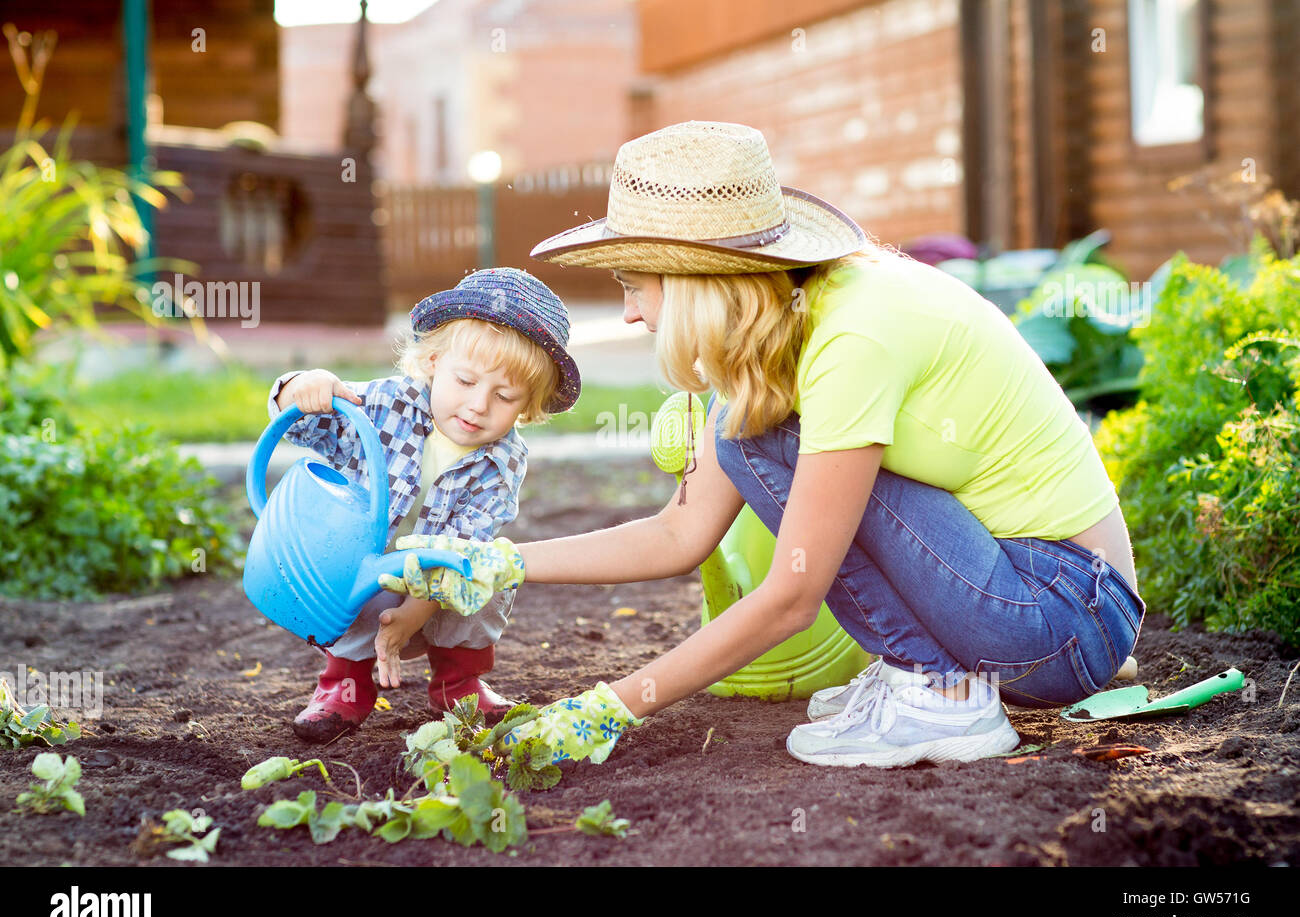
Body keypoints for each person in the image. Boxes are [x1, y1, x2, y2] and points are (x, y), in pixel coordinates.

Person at [383, 121, 1146, 770]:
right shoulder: (789, 327)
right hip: (1012, 597)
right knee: (746, 429)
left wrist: (606, 710)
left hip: (1063, 615)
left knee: (751, 433)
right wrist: (501, 562)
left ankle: (940, 695)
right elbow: (678, 534)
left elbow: (791, 596)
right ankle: (933, 675)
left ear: (696, 283)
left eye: (634, 284)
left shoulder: (854, 335)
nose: (628, 315)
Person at [268, 267, 580, 742]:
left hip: (438, 578)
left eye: (504, 396)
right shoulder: (383, 404)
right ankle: (344, 685)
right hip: (360, 570)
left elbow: (463, 544)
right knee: (343, 573)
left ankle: (459, 684)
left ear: (528, 406)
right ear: (433, 361)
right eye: (466, 381)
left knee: (488, 572)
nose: (478, 405)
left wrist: (416, 611)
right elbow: (302, 426)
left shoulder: (504, 460)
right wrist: (301, 387)